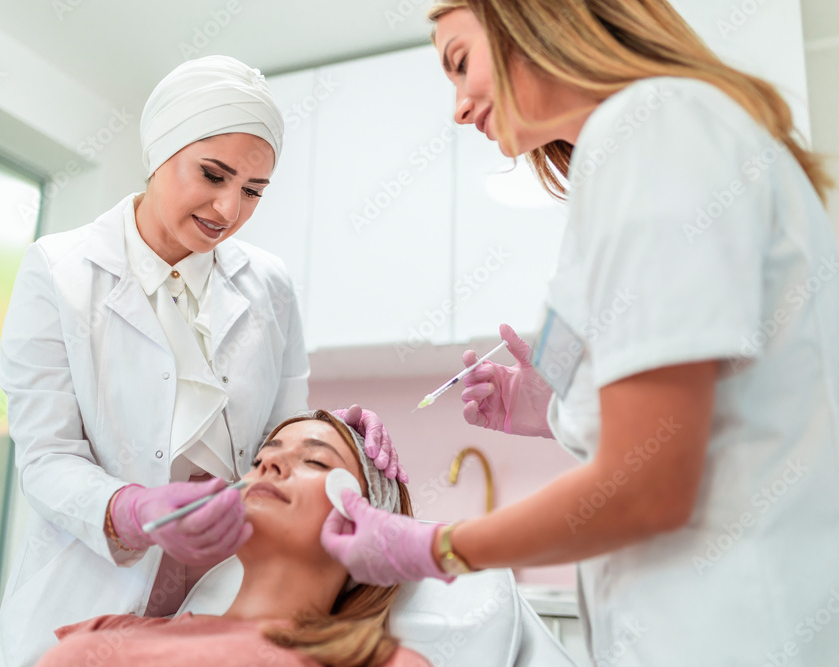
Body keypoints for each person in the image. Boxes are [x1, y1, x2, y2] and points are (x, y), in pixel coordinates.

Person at [322, 1, 839, 665]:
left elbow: (647, 482)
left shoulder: (652, 128)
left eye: (460, 63)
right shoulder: (656, 135)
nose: (457, 108)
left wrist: (436, 547)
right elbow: (684, 419)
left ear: (531, 19)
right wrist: (561, 411)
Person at [0, 56, 405, 667]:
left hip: (225, 588)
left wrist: (331, 434)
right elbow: (48, 457)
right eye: (213, 175)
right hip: (87, 586)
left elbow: (277, 436)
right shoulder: (60, 270)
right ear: (160, 150)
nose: (229, 210)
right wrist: (130, 511)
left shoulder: (270, 285)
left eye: (253, 191)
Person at [35, 410, 429, 667]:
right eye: (258, 461)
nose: (268, 465)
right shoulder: (105, 637)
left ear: (365, 526)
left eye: (315, 460)